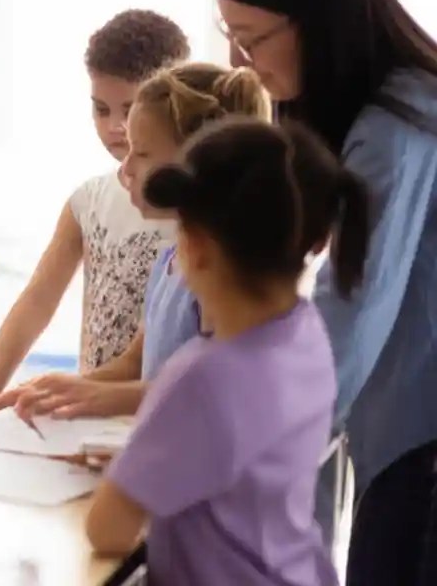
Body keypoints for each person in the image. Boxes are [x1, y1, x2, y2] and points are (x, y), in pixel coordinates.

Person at [210, 0, 437, 584]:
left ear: (317, 18)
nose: (242, 62)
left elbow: (352, 307)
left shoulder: (398, 127)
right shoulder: (382, 113)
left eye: (251, 37)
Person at [87, 118, 366, 585]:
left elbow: (107, 530)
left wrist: (132, 469)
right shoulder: (306, 333)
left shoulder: (202, 376)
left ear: (195, 247)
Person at [0, 63, 271, 418]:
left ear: (198, 163)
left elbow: (216, 389)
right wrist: (47, 388)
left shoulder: (229, 271)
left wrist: (101, 400)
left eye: (141, 154)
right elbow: (133, 364)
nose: (125, 169)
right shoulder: (172, 260)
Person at [0, 10, 188, 405]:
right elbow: (37, 299)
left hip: (160, 412)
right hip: (86, 410)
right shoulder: (88, 200)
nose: (113, 127)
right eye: (101, 109)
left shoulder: (192, 208)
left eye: (130, 109)